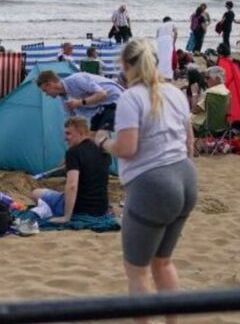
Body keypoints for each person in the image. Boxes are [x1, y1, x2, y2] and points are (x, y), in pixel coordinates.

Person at [95, 39, 196, 322]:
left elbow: (127, 148)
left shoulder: (131, 97)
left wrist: (104, 143)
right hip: (185, 177)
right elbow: (189, 141)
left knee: (137, 271)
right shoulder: (174, 92)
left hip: (154, 185)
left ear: (126, 66)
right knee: (163, 262)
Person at [31, 116, 111, 223]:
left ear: (81, 132)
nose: (65, 138)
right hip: (100, 209)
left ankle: (51, 210)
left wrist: (66, 217)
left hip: (79, 209)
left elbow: (72, 186)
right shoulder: (103, 151)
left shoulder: (73, 153)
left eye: (68, 133)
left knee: (36, 193)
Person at [37, 70, 125, 132]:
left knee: (101, 136)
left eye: (45, 90)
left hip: (114, 99)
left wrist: (79, 103)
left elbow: (102, 94)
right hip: (100, 108)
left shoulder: (76, 79)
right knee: (91, 139)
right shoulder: (64, 98)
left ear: (50, 84)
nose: (46, 94)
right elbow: (71, 120)